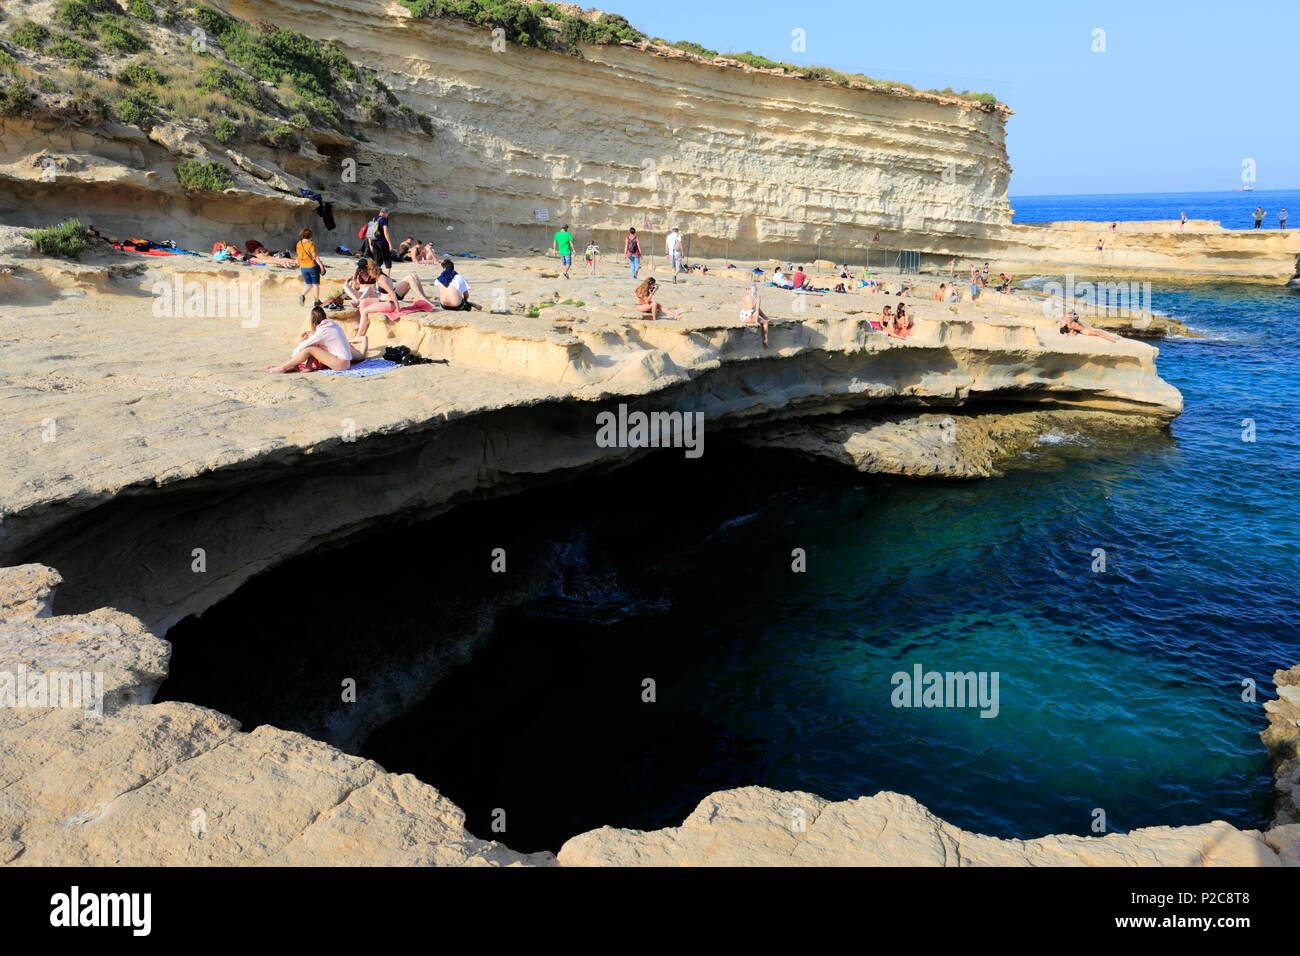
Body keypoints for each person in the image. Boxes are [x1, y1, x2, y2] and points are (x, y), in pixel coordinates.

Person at [265, 305, 367, 373]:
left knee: (309, 349)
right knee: (313, 345)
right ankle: (305, 367)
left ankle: (282, 368)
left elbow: (304, 346)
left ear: (313, 320)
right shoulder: (330, 325)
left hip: (341, 364)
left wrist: (294, 355)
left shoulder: (324, 331)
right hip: (343, 362)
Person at [295, 227, 325, 308]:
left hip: (303, 267)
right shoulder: (311, 244)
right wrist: (321, 266)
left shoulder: (299, 243)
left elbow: (298, 255)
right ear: (310, 235)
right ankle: (316, 301)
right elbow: (315, 256)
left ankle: (303, 295)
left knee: (308, 283)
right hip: (312, 266)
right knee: (315, 284)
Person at [368, 208, 394, 272]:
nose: (388, 215)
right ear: (385, 213)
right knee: (387, 259)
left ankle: (376, 276)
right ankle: (388, 277)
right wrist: (390, 244)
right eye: (387, 214)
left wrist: (370, 244)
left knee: (377, 260)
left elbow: (369, 232)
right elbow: (386, 233)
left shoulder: (374, 219)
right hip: (382, 242)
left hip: (374, 242)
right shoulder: (384, 219)